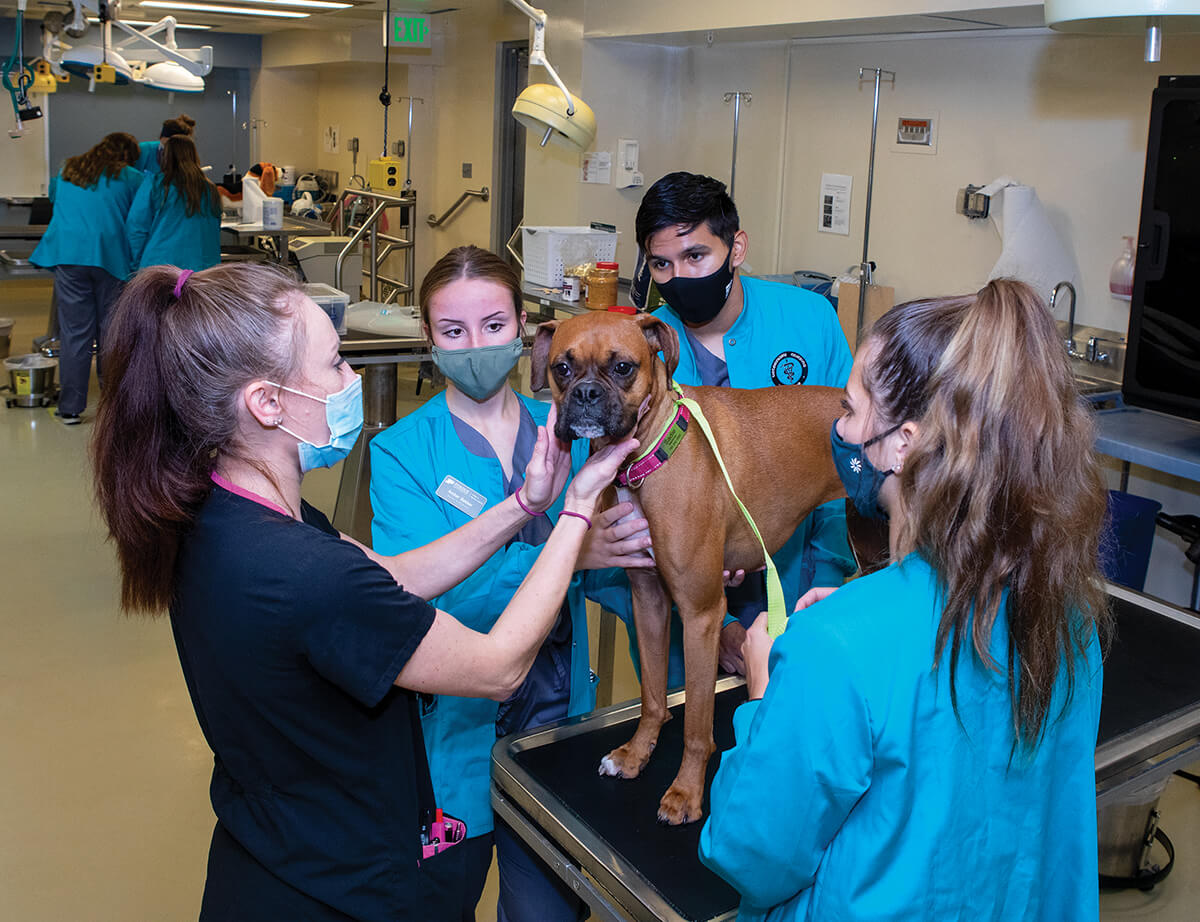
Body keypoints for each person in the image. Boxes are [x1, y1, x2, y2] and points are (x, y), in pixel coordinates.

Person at [90, 262, 636, 922]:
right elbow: (498, 668)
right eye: (336, 364)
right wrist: (575, 514)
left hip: (267, 852)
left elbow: (396, 578)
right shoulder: (306, 574)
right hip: (334, 890)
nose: (353, 381)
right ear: (268, 403)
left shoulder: (228, 514)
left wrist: (523, 505)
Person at [699, 279, 1110, 920]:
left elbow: (750, 854)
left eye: (852, 409)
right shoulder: (1071, 613)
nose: (839, 428)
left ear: (903, 442)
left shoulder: (834, 645)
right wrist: (853, 621)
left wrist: (763, 697)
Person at [369, 246, 651, 922]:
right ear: (428, 338)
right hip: (451, 743)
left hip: (555, 724)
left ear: (524, 327)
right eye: (453, 331)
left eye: (494, 326)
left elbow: (616, 574)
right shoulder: (402, 454)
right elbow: (430, 604)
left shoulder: (575, 427)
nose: (476, 346)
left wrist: (676, 564)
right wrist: (567, 554)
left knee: (548, 912)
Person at [636, 170, 856, 674]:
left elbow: (848, 459)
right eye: (661, 264)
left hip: (800, 591)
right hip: (684, 625)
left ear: (736, 248)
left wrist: (829, 583)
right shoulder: (639, 351)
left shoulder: (809, 319)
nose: (679, 278)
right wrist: (720, 628)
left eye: (696, 257)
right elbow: (625, 513)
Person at [31, 132, 142, 424]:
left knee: (74, 332)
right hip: (110, 258)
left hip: (69, 254)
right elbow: (138, 218)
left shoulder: (68, 168)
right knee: (110, 332)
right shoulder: (132, 177)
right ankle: (113, 407)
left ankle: (69, 408)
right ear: (127, 157)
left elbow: (57, 200)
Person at [128, 134, 221, 273]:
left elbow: (136, 228)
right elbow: (214, 229)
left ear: (165, 156)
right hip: (202, 268)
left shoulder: (155, 185)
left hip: (160, 267)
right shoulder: (210, 190)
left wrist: (136, 267)